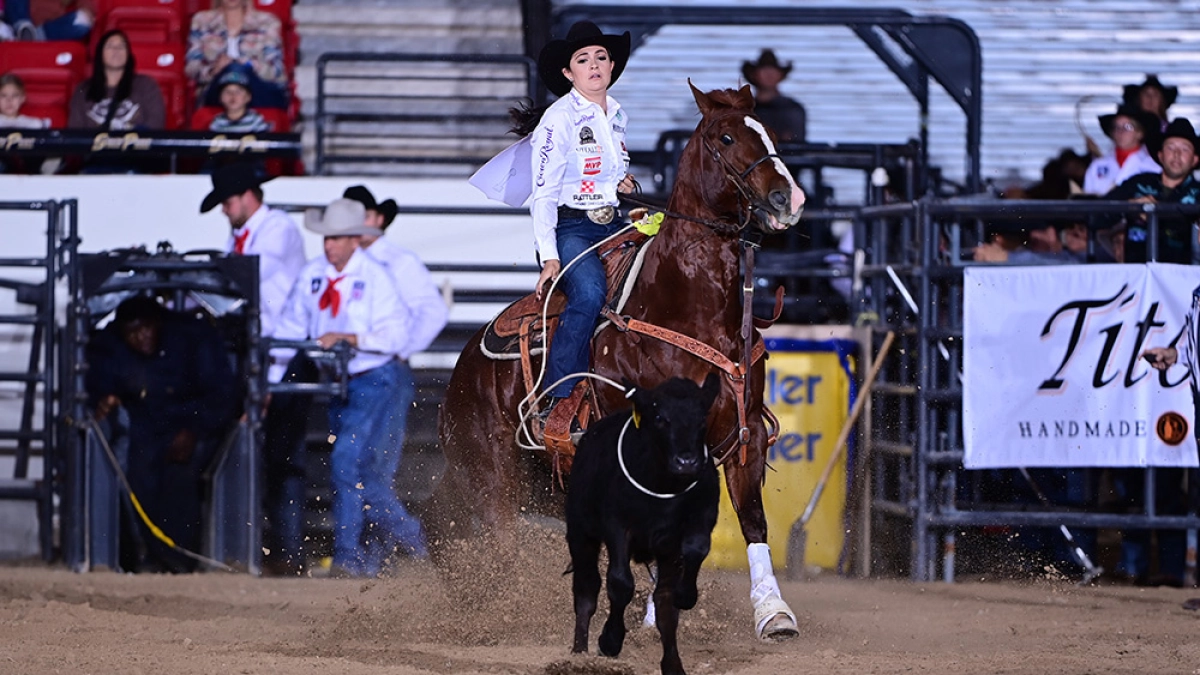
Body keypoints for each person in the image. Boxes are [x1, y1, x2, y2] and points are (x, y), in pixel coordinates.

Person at [274, 198, 426, 578]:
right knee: (364, 473)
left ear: (355, 239)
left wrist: (347, 336)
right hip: (343, 383)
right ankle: (419, 543)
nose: (330, 245)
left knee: (346, 462)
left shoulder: (375, 277)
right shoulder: (314, 276)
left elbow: (396, 334)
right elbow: (290, 328)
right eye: (327, 237)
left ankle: (350, 555)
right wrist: (271, 374)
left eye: (338, 238)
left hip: (375, 378)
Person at [509, 20, 636, 428]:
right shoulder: (557, 119)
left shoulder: (617, 114)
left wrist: (623, 182)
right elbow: (544, 194)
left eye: (601, 57)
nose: (594, 65)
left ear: (612, 66)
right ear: (569, 73)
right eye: (583, 59)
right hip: (571, 227)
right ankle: (557, 395)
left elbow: (611, 169)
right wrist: (549, 257)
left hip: (612, 220)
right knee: (589, 293)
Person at [200, 162, 309, 575]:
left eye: (228, 202)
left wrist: (267, 374)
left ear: (247, 196)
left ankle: (286, 551)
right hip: (267, 352)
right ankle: (276, 549)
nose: (225, 211)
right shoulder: (249, 234)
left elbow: (267, 300)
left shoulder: (275, 230)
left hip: (280, 353)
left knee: (282, 459)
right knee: (271, 458)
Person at [86, 296, 239, 573]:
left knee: (180, 479)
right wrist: (105, 398)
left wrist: (194, 430)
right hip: (142, 424)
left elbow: (222, 395)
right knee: (135, 477)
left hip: (195, 421)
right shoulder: (110, 345)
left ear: (158, 322)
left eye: (145, 328)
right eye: (132, 333)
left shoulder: (193, 338)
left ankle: (178, 561)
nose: (140, 337)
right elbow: (98, 383)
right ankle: (141, 557)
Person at [342, 184, 447, 570]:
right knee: (367, 470)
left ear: (376, 219)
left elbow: (432, 311)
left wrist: (398, 349)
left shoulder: (396, 262)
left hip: (384, 371)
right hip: (360, 371)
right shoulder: (361, 262)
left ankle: (414, 548)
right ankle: (377, 556)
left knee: (371, 470)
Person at [1103, 117, 1200, 264]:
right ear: (1160, 155)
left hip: (1182, 278)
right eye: (1170, 147)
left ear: (1194, 160)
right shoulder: (1138, 183)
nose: (1177, 154)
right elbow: (1097, 214)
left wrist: (1155, 213)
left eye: (1185, 149)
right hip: (1138, 276)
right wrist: (1131, 207)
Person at [186, 0, 287, 110]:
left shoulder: (267, 21)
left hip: (258, 88)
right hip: (216, 88)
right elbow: (192, 68)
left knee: (235, 69)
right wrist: (213, 70)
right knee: (230, 72)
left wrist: (248, 64)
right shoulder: (201, 21)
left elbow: (277, 70)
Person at [1082, 104, 1161, 196]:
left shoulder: (1153, 167)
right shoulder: (1097, 166)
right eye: (1116, 127)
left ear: (1140, 133)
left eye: (1127, 127)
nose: (1121, 132)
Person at [742, 48, 806, 143]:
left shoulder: (792, 109)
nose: (769, 74)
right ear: (754, 75)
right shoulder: (744, 110)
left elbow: (796, 145)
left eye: (773, 70)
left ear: (780, 75)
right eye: (764, 70)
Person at [3, 0, 93, 42]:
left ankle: (32, 36)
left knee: (83, 21)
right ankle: (22, 29)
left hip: (50, 27)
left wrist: (87, 9)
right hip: (22, 17)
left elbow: (87, 5)